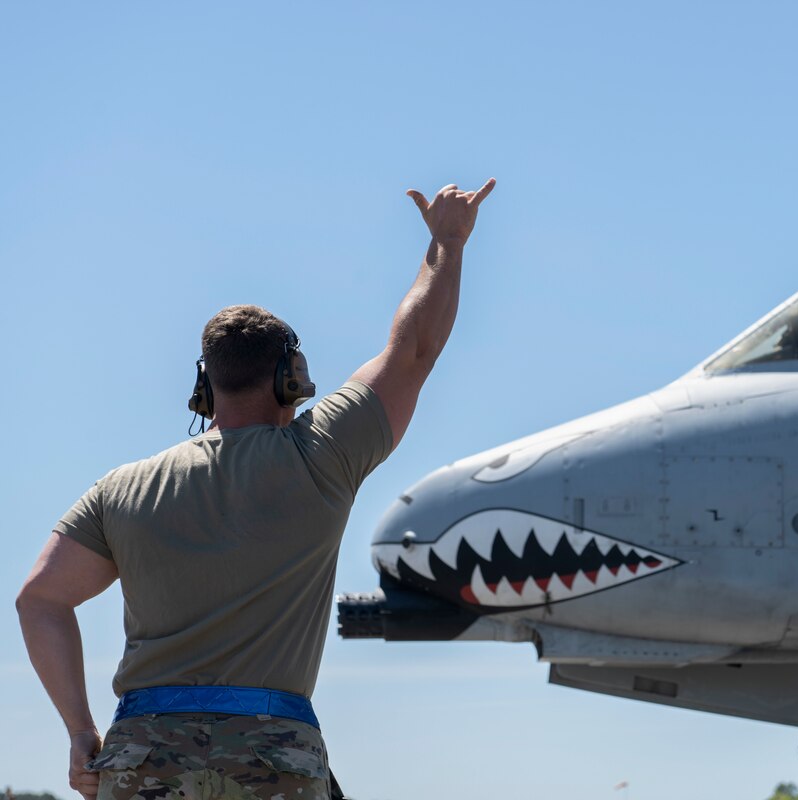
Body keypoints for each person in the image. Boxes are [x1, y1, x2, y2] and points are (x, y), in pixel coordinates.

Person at [15, 178, 496, 800]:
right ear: (290, 378)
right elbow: (414, 352)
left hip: (143, 753)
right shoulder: (321, 454)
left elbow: (39, 600)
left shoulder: (121, 489)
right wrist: (447, 245)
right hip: (273, 752)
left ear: (205, 387)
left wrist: (81, 731)